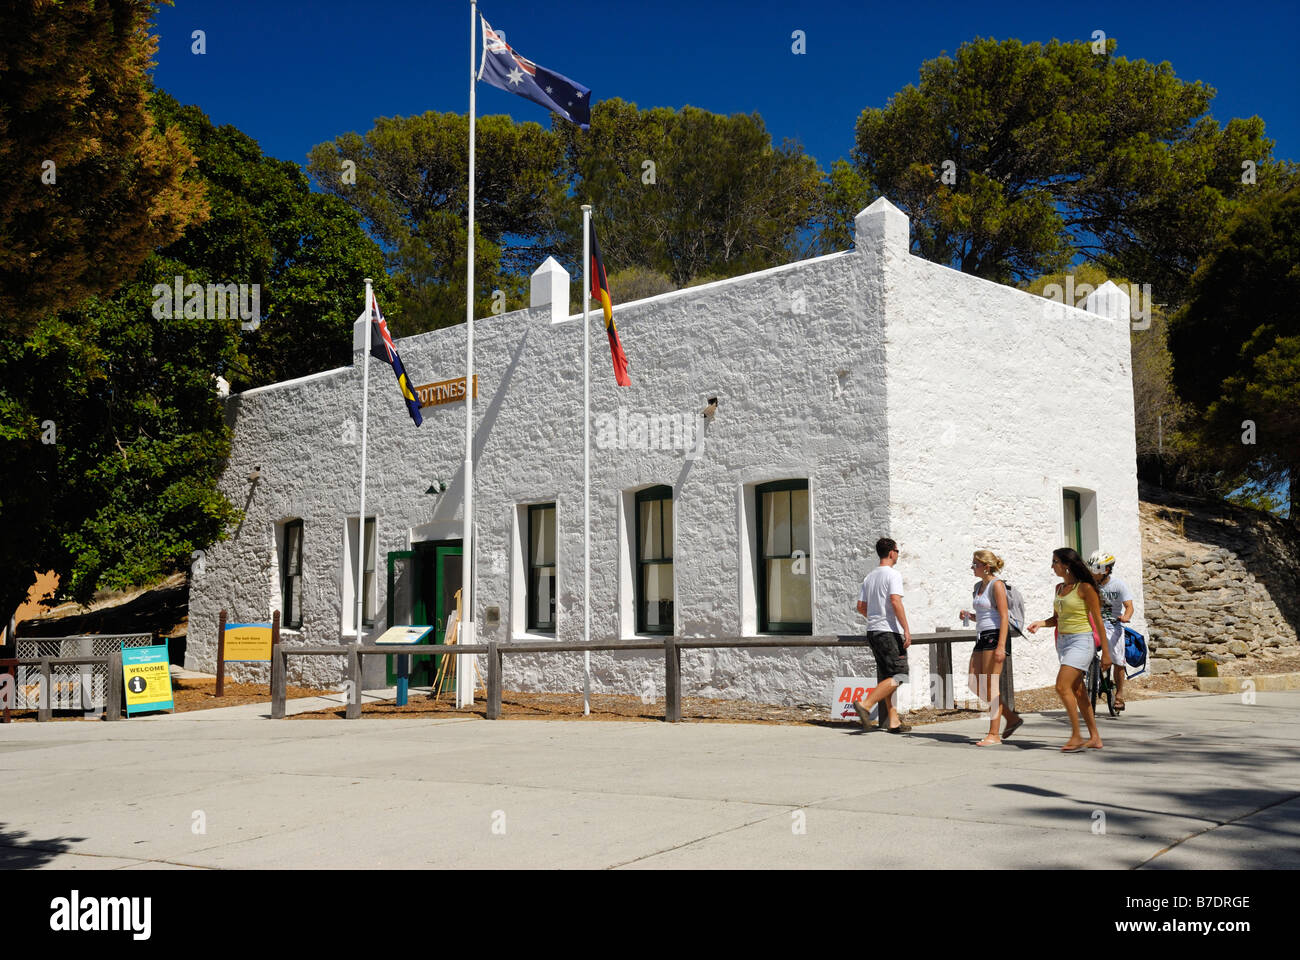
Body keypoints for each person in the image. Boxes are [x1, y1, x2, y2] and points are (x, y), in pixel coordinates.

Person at [1027, 548, 1112, 751]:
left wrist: (1107, 653)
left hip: (1082, 641)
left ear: (1066, 565)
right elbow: (1056, 619)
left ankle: (1076, 735)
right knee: (1078, 691)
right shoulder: (1059, 588)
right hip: (1063, 642)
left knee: (1062, 686)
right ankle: (1095, 738)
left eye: (1055, 561)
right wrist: (1040, 623)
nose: (1052, 566)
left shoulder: (1085, 588)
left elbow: (1098, 621)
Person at [957, 549, 1023, 745]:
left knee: (990, 684)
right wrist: (969, 615)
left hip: (995, 636)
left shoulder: (997, 585)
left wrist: (1002, 645)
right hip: (982, 636)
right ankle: (1011, 717)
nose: (972, 568)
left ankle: (994, 734)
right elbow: (985, 615)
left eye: (975, 564)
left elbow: (1003, 616)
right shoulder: (978, 586)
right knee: (973, 682)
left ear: (986, 567)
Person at [853, 538, 912, 734]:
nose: (898, 554)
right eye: (897, 550)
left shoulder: (870, 577)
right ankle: (866, 704)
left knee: (888, 675)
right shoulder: (892, 575)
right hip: (888, 631)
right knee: (900, 674)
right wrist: (906, 629)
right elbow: (895, 601)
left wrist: (875, 618)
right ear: (891, 553)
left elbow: (861, 607)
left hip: (873, 631)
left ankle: (893, 721)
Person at [1089, 550, 1135, 712]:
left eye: (1096, 568)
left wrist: (1125, 616)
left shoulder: (1118, 585)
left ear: (1106, 570)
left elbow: (1129, 606)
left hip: (1112, 626)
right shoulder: (1089, 585)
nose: (1092, 571)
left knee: (1118, 661)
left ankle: (1120, 696)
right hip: (1092, 626)